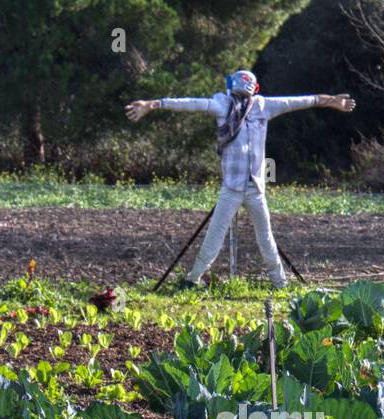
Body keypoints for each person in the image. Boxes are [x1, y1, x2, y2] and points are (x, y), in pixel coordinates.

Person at [126, 70, 355, 288]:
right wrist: (154, 104)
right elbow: (191, 104)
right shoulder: (224, 105)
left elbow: (300, 101)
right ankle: (194, 278)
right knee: (218, 236)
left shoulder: (262, 106)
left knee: (263, 238)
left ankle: (278, 283)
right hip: (232, 188)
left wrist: (332, 101)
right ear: (253, 87)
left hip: (255, 188)